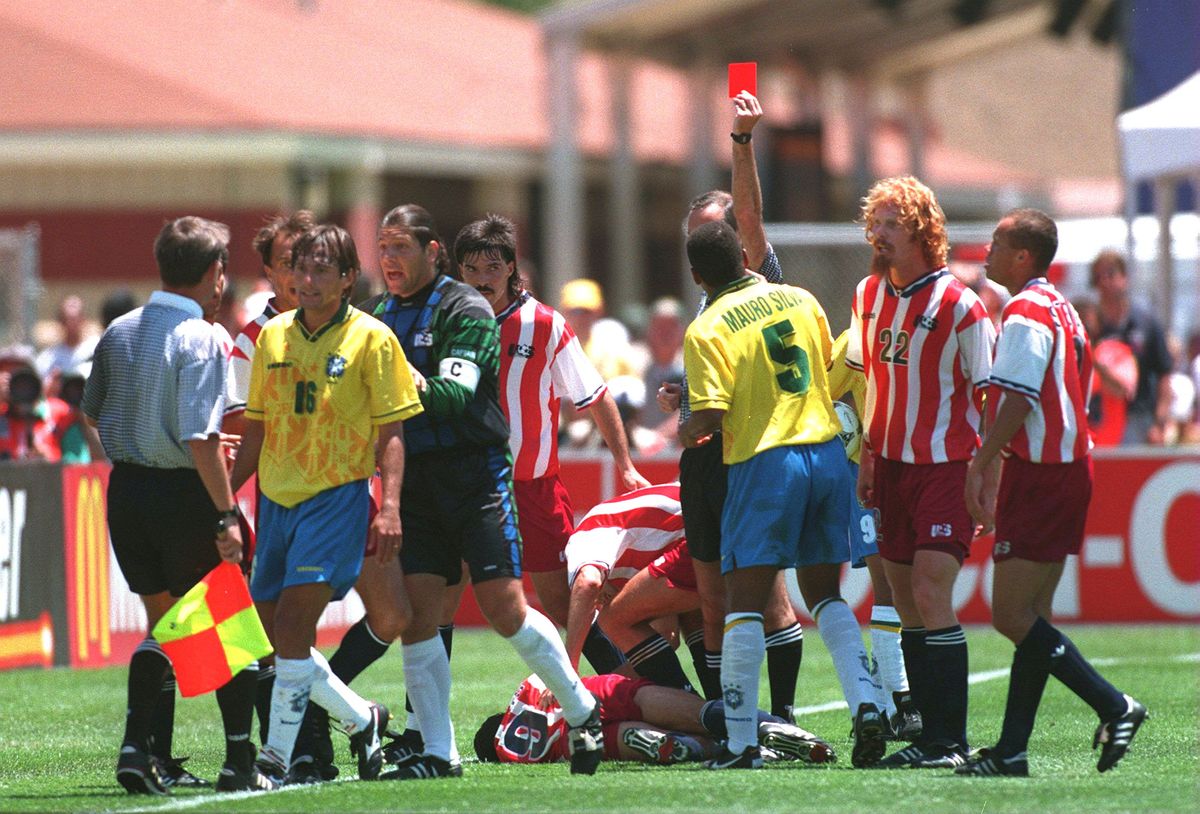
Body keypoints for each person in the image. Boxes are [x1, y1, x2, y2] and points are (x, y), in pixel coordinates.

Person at [366, 203, 604, 780]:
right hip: (417, 479)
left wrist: (400, 383)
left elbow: (456, 395)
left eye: (401, 248)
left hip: (475, 476)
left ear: (431, 253)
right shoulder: (377, 315)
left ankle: (581, 709)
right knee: (421, 614)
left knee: (505, 610)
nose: (390, 259)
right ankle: (437, 753)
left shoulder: (465, 307)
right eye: (383, 247)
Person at [227, 224, 422, 786]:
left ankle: (276, 757)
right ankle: (362, 718)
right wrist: (220, 499)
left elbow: (391, 432)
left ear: (346, 279)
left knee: (294, 625)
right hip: (276, 502)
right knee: (273, 636)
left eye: (320, 270)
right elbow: (255, 430)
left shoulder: (373, 338)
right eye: (300, 268)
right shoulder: (271, 337)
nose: (306, 280)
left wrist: (390, 506)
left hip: (336, 498)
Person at [959, 209, 1147, 777]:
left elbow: (1017, 398)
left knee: (1011, 615)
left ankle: (1115, 705)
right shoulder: (1061, 306)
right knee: (1033, 616)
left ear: (1023, 256)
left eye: (997, 243)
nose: (986, 252)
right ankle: (1012, 751)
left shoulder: (1025, 311)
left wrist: (980, 463)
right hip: (1068, 467)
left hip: (1041, 474)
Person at [81, 216, 264, 794]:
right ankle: (239, 763)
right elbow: (200, 439)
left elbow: (92, 411)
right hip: (184, 496)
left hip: (128, 494)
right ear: (214, 272)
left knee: (165, 624)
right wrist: (226, 513)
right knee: (228, 626)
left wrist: (140, 444)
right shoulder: (203, 336)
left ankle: (143, 751)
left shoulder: (119, 330)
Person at [678, 219, 852, 770]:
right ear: (745, 256)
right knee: (824, 595)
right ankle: (869, 706)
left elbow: (709, 416)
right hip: (826, 451)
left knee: (743, 605)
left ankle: (740, 743)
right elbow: (824, 366)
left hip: (765, 460)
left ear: (697, 276)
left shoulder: (707, 327)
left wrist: (684, 428)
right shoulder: (800, 297)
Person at [657, 91, 806, 722]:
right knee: (712, 600)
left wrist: (742, 141)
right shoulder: (704, 301)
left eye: (716, 232)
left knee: (768, 598)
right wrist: (682, 400)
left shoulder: (762, 277)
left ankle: (785, 715)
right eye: (697, 236)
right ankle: (725, 716)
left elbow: (749, 210)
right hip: (705, 457)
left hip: (750, 453)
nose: (707, 243)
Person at [847, 176, 996, 769]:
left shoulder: (961, 305)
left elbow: (988, 395)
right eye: (876, 222)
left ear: (922, 232)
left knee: (932, 592)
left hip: (944, 469)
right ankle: (930, 737)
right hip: (889, 469)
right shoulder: (867, 294)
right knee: (908, 602)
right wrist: (868, 456)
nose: (878, 233)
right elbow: (870, 380)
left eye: (892, 223)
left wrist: (986, 478)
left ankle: (950, 741)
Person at [454, 213, 649, 652]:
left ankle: (627, 682)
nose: (482, 279)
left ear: (511, 267)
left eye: (492, 268)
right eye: (471, 269)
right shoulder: (449, 320)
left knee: (564, 604)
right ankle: (426, 704)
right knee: (441, 596)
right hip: (465, 484)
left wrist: (626, 466)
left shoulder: (543, 324)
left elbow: (595, 395)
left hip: (533, 487)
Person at [474, 672, 835, 766]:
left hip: (571, 742)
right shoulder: (523, 694)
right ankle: (766, 725)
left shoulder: (509, 751)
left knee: (617, 740)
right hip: (589, 693)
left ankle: (679, 745)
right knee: (688, 711)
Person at [562, 482, 690, 687]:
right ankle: (715, 704)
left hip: (707, 513)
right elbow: (668, 635)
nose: (598, 604)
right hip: (712, 515)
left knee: (613, 617)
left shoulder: (585, 538)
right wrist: (604, 686)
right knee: (702, 618)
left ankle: (708, 705)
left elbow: (587, 584)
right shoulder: (635, 560)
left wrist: (568, 670)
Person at [1089, 250, 1171, 444]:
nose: (1105, 282)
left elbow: (1164, 375)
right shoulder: (1090, 323)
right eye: (1098, 277)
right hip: (1097, 419)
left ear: (1124, 277)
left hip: (1138, 418)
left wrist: (1159, 424)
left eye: (1110, 274)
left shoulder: (1146, 322)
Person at [35, 294, 97, 396]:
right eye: (66, 319)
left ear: (83, 319)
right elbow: (40, 394)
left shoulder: (96, 350)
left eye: (75, 318)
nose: (71, 324)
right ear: (60, 321)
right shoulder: (47, 358)